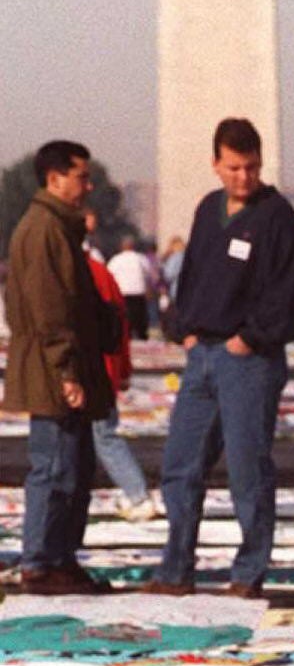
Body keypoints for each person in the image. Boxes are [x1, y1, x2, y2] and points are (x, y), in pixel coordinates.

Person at [145, 117, 294, 598]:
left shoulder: (279, 218)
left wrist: (250, 339)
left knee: (247, 468)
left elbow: (288, 291)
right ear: (216, 164)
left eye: (252, 167)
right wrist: (185, 330)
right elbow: (191, 275)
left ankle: (247, 573)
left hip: (248, 360)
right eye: (234, 168)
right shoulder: (207, 209)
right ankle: (175, 570)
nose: (244, 177)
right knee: (180, 465)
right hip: (202, 355)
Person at [1, 140, 114, 594]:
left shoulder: (56, 228)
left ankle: (60, 558)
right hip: (53, 372)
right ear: (54, 179)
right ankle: (41, 562)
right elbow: (50, 309)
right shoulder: (44, 230)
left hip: (61, 366)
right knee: (54, 468)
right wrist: (66, 370)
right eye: (81, 177)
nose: (88, 186)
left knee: (74, 466)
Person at [84, 217, 156, 522]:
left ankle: (138, 495)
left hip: (91, 372)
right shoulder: (102, 271)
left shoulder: (84, 273)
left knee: (102, 436)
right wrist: (123, 369)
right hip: (106, 368)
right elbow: (122, 327)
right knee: (97, 435)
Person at [107, 235, 154, 342]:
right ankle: (141, 333)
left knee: (125, 314)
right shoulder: (140, 258)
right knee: (139, 315)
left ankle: (126, 333)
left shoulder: (116, 259)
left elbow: (109, 273)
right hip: (138, 290)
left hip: (123, 291)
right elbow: (148, 272)